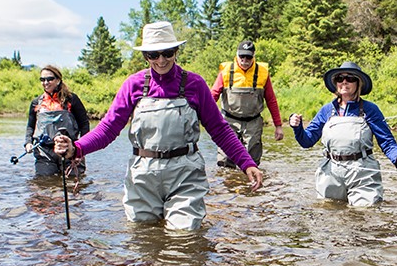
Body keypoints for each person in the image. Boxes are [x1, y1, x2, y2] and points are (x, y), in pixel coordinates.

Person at [53, 21, 265, 231]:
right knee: (143, 238)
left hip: (185, 173)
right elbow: (108, 128)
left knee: (184, 238)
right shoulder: (133, 85)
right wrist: (76, 148)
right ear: (146, 56)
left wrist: (246, 163)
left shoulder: (195, 84)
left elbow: (220, 129)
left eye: (167, 52)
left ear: (176, 51)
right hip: (143, 176)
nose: (161, 60)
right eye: (153, 55)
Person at [288, 61, 397, 207]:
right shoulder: (327, 110)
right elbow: (306, 141)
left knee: (365, 213)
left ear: (358, 83)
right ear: (335, 84)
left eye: (350, 78)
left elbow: (387, 142)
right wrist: (297, 127)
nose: (344, 82)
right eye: (340, 78)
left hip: (362, 172)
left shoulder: (370, 110)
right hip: (330, 172)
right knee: (329, 213)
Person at [209, 40, 284, 167]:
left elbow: (271, 100)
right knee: (226, 162)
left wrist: (278, 126)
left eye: (248, 57)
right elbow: (213, 96)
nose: (244, 60)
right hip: (229, 121)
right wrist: (203, 116)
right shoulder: (226, 71)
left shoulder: (263, 73)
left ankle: (250, 185)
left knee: (251, 162)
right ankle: (230, 185)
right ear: (237, 55)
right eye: (242, 56)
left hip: (253, 123)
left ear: (253, 56)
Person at [23, 65, 91, 177]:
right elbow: (31, 126)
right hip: (44, 151)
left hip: (69, 149)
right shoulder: (36, 103)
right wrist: (28, 143)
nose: (46, 82)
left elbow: (84, 124)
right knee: (44, 184)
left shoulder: (72, 99)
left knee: (73, 181)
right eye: (42, 79)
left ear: (58, 80)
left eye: (50, 79)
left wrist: (82, 148)